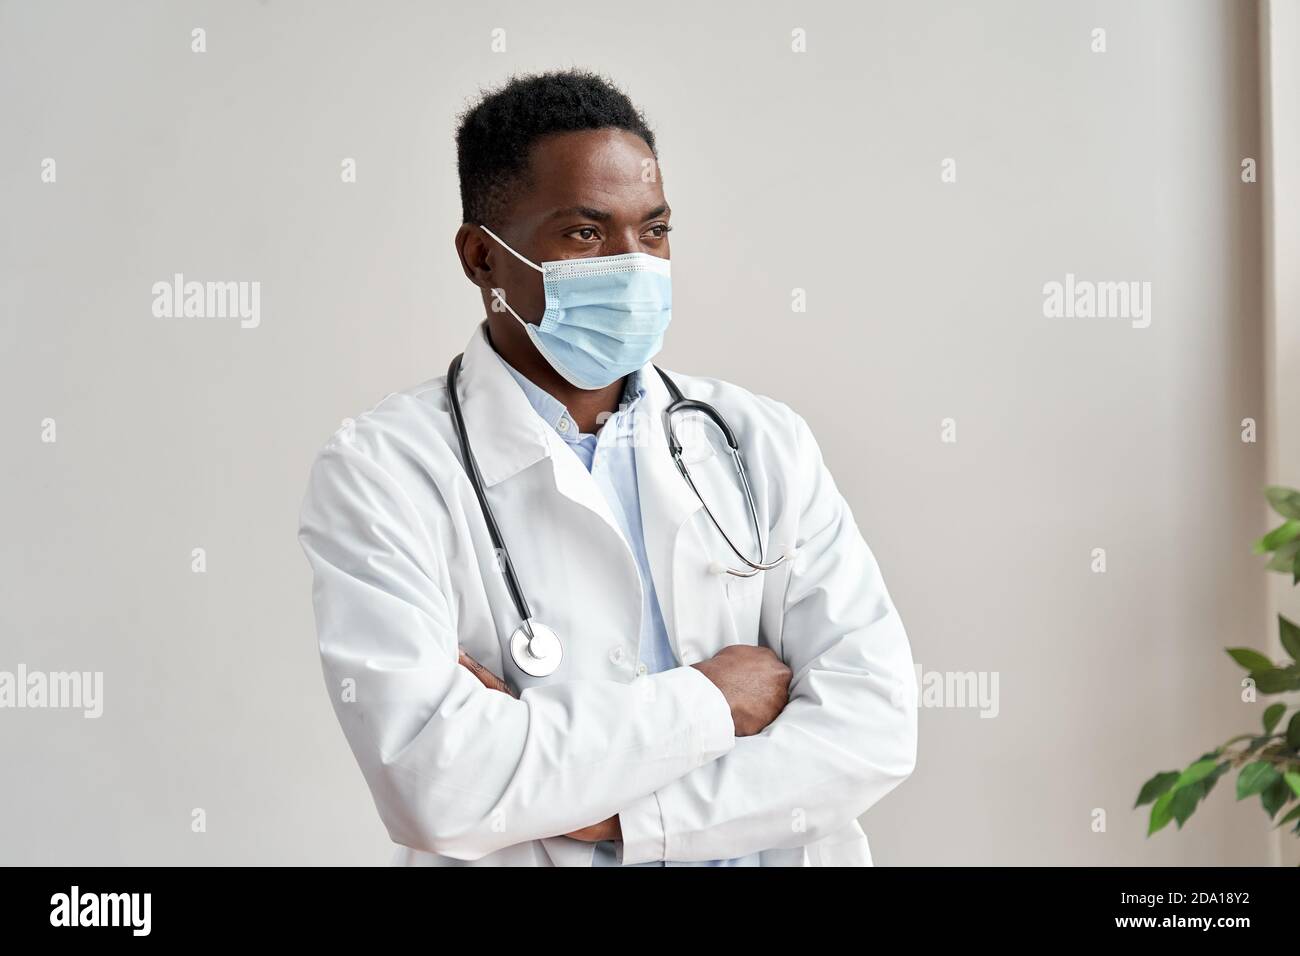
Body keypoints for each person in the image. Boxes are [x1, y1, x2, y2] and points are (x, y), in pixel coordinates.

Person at [297, 69, 918, 867]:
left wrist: (609, 816)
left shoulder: (761, 441)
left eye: (653, 232)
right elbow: (438, 782)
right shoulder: (383, 471)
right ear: (482, 257)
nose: (634, 266)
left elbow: (871, 728)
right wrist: (711, 701)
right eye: (586, 234)